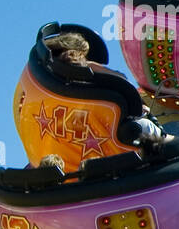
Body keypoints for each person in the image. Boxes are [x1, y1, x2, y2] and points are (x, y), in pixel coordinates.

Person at [43, 33, 171, 146]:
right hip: (109, 139)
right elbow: (123, 81)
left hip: (70, 143)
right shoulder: (89, 87)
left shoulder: (50, 84)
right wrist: (91, 66)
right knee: (148, 127)